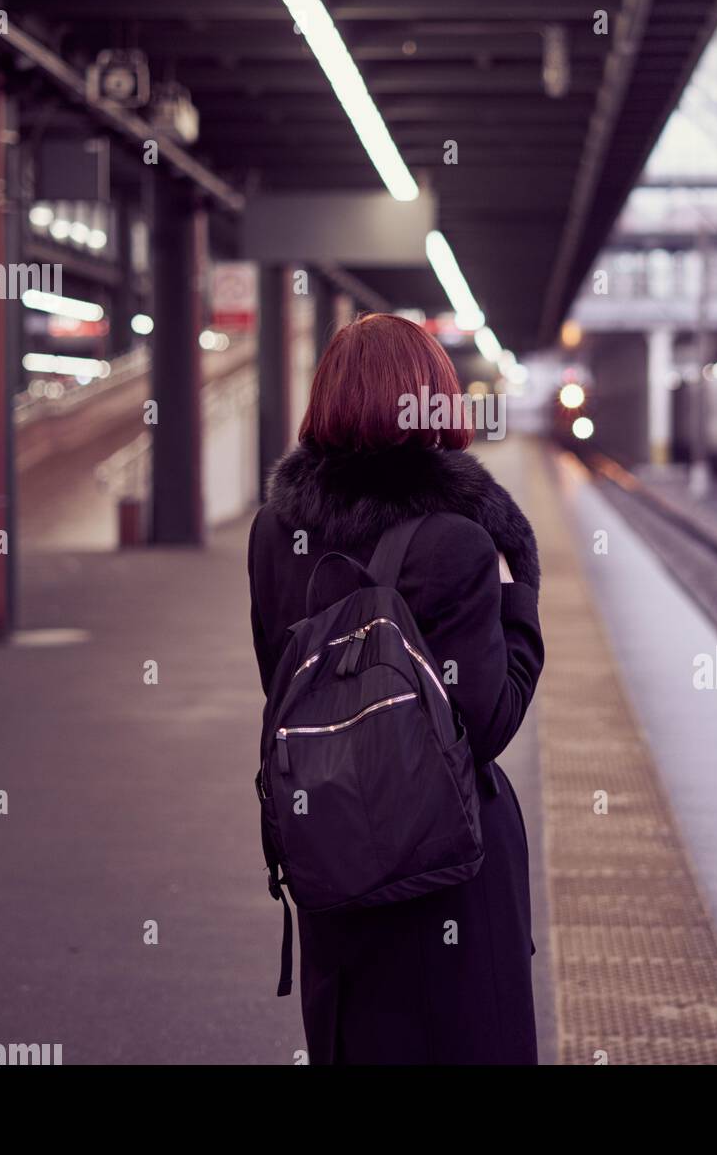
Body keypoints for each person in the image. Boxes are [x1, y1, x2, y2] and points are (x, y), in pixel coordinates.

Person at [247, 312, 545, 1064]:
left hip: (328, 844)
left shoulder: (275, 533)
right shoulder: (459, 542)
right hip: (446, 865)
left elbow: (281, 684)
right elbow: (490, 720)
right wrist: (520, 598)